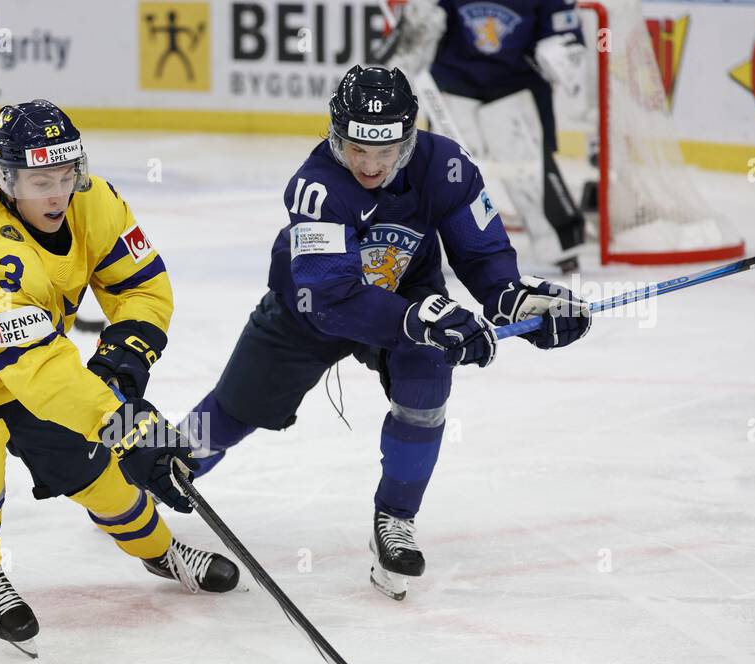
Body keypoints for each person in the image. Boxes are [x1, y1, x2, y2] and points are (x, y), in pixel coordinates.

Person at [181, 66, 592, 601]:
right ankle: (155, 470)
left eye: (386, 149)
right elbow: (330, 296)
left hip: (408, 301)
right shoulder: (316, 187)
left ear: (409, 136)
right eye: (357, 150)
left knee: (425, 389)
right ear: (337, 136)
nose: (370, 165)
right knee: (235, 410)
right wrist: (417, 319)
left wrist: (511, 298)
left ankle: (395, 520)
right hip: (309, 310)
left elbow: (482, 250)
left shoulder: (446, 166)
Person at [0, 100, 239, 657]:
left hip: (14, 368)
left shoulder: (97, 201)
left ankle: (162, 551)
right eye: (40, 180)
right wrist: (122, 422)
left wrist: (121, 363)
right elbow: (36, 367)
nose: (58, 193)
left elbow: (141, 286)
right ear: (5, 180)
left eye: (66, 175)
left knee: (103, 477)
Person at [426, 0, 589, 270]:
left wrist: (560, 49)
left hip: (517, 85)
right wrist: (420, 27)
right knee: (442, 173)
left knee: (529, 171)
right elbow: (428, 21)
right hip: (454, 83)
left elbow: (565, 30)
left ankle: (561, 245)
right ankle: (413, 247)